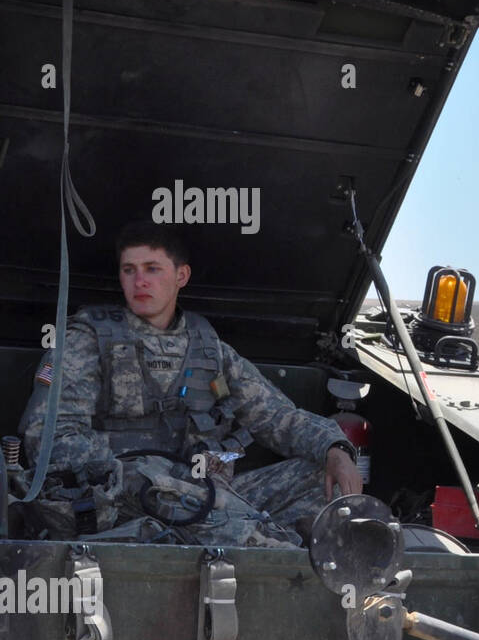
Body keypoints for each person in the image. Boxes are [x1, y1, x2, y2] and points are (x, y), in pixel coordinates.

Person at [20, 221, 362, 546]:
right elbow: (48, 438)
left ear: (181, 275)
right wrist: (148, 476)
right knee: (231, 527)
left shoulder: (209, 349)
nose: (139, 281)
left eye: (152, 268)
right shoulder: (87, 338)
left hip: (206, 495)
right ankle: (267, 549)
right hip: (118, 502)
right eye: (129, 270)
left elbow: (276, 416)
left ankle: (295, 549)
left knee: (323, 477)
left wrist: (335, 449)